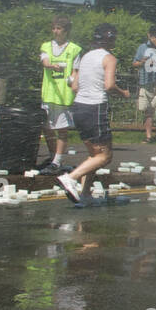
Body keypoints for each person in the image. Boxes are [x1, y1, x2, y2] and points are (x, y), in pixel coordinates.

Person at [57, 24, 131, 206]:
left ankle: (85, 194)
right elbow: (109, 86)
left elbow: (74, 86)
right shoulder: (109, 58)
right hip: (95, 108)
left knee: (94, 156)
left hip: (79, 107)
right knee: (105, 156)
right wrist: (124, 93)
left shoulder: (85, 57)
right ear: (111, 39)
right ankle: (70, 178)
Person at [39, 15, 81, 175]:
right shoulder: (46, 46)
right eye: (54, 28)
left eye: (59, 29)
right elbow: (45, 61)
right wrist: (51, 65)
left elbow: (75, 71)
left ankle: (57, 162)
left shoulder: (74, 49)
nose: (55, 32)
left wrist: (74, 83)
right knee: (47, 127)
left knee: (62, 129)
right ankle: (53, 157)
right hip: (49, 94)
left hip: (64, 96)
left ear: (66, 31)